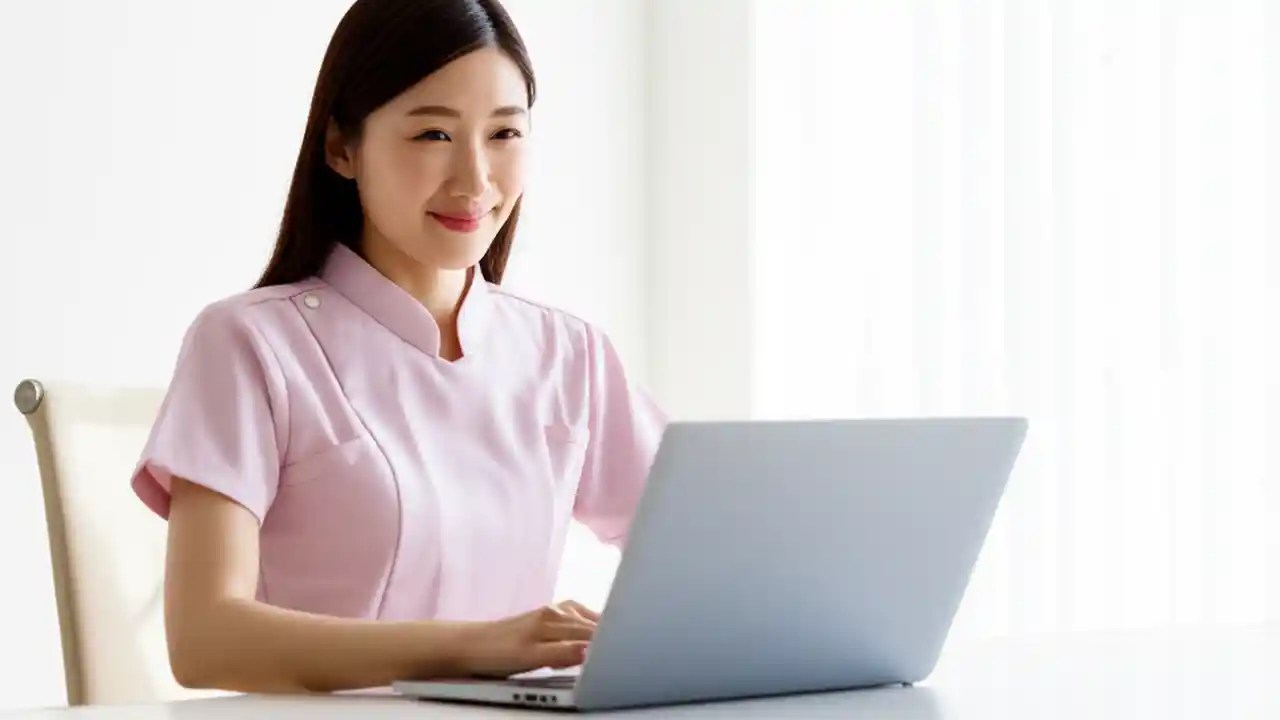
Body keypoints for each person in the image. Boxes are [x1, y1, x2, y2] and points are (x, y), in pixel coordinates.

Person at [130, 0, 666, 695]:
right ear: (341, 148)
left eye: (504, 133)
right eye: (434, 135)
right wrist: (480, 646)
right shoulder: (250, 343)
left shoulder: (567, 353)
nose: (476, 180)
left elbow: (709, 546)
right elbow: (205, 640)